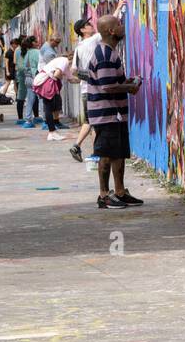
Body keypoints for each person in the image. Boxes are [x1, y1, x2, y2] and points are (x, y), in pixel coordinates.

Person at [86, 14, 143, 209]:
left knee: (118, 153)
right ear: (111, 31)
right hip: (105, 114)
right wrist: (129, 88)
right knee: (106, 153)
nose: (122, 27)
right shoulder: (104, 55)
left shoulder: (110, 53)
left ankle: (120, 192)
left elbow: (112, 83)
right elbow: (107, 86)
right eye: (119, 24)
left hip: (115, 113)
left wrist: (127, 82)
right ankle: (104, 195)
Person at [69, 19, 101, 162]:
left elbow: (74, 70)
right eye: (88, 25)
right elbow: (109, 26)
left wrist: (85, 78)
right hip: (93, 90)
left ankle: (77, 146)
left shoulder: (79, 47)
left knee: (89, 121)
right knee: (95, 122)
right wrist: (119, 8)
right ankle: (96, 153)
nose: (91, 25)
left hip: (84, 91)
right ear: (82, 30)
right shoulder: (92, 41)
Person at [34, 52, 73, 141]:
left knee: (52, 106)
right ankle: (52, 132)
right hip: (47, 82)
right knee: (49, 107)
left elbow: (71, 79)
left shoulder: (64, 64)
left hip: (48, 82)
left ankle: (52, 132)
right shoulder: (64, 61)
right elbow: (56, 75)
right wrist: (62, 76)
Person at [18, 37, 42, 127]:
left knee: (30, 100)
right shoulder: (37, 52)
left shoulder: (27, 53)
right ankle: (45, 119)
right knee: (41, 99)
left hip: (27, 78)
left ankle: (28, 120)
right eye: (36, 41)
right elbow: (40, 65)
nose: (38, 42)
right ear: (33, 43)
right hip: (36, 77)